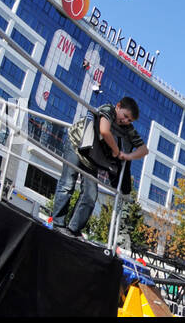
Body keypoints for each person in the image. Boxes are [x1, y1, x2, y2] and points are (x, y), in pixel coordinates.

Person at [50, 97, 147, 238]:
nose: (126, 121)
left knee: (90, 194)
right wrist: (116, 150)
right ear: (118, 106)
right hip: (77, 145)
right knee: (67, 184)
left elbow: (144, 150)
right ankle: (58, 224)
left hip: (92, 158)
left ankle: (73, 229)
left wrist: (127, 156)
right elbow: (104, 130)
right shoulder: (108, 109)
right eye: (125, 116)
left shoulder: (128, 129)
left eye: (130, 120)